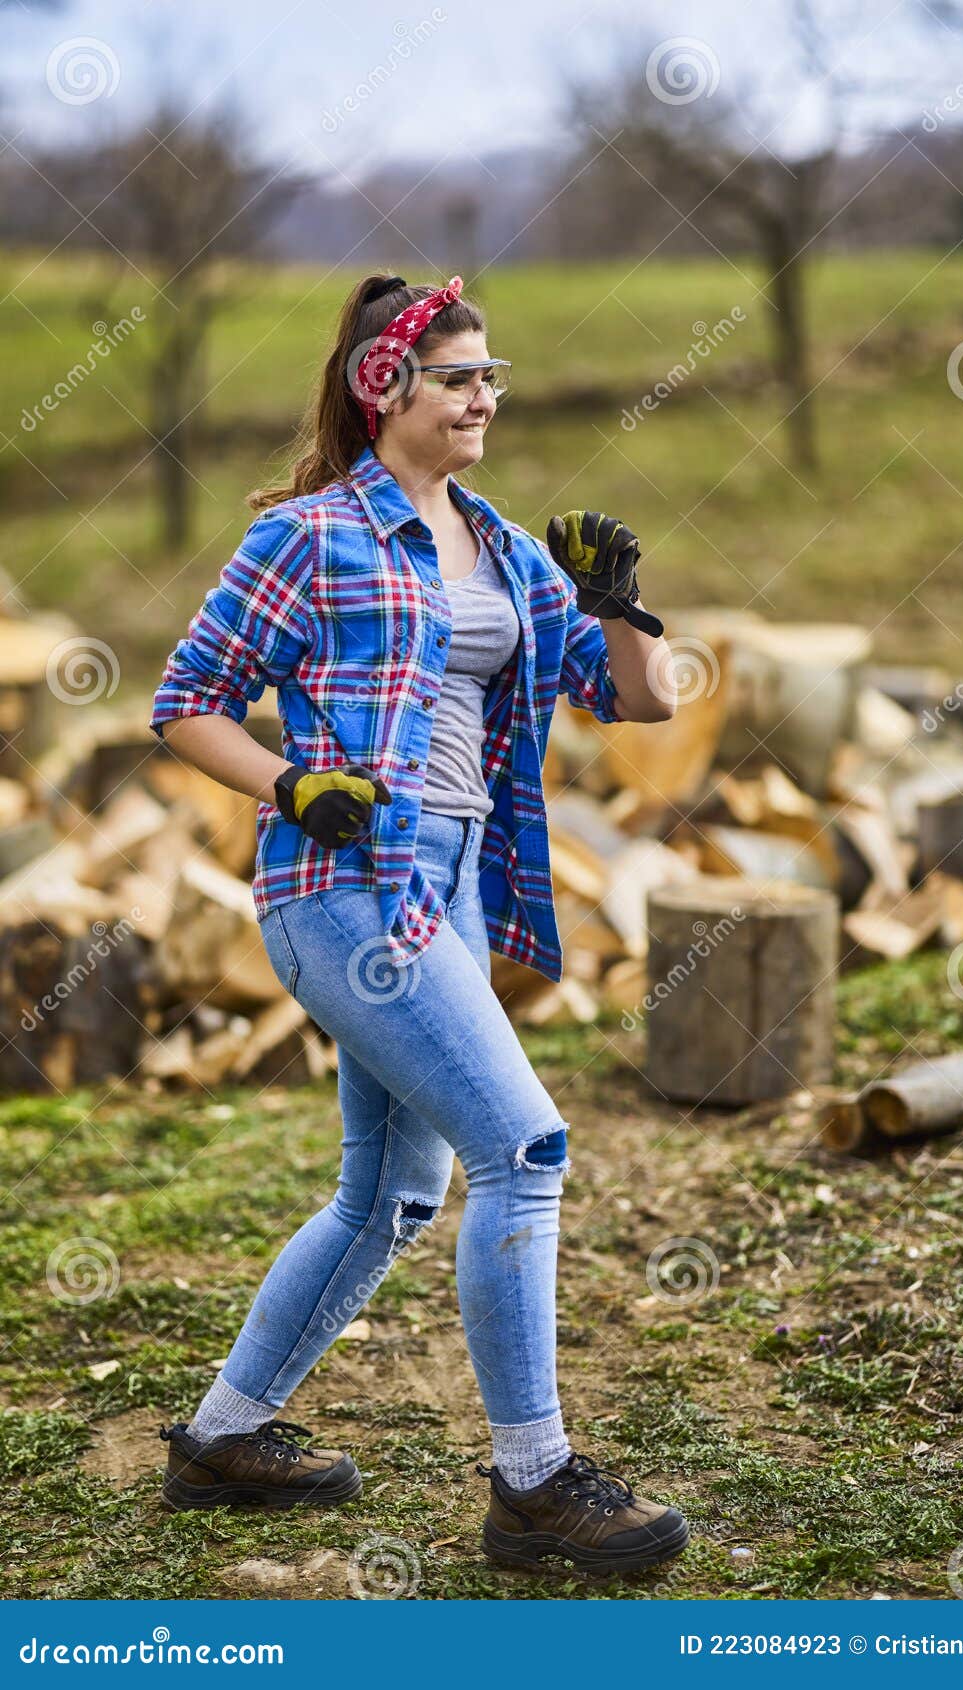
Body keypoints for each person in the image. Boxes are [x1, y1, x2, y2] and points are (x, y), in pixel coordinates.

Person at [150, 271, 688, 1574]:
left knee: (392, 1190)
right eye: (458, 376)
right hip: (342, 885)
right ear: (382, 388)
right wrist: (290, 781)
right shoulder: (310, 537)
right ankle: (535, 1482)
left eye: (492, 374)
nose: (484, 396)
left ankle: (220, 1438)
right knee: (525, 1145)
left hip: (447, 887)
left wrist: (616, 609)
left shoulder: (501, 545)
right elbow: (185, 699)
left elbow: (644, 702)